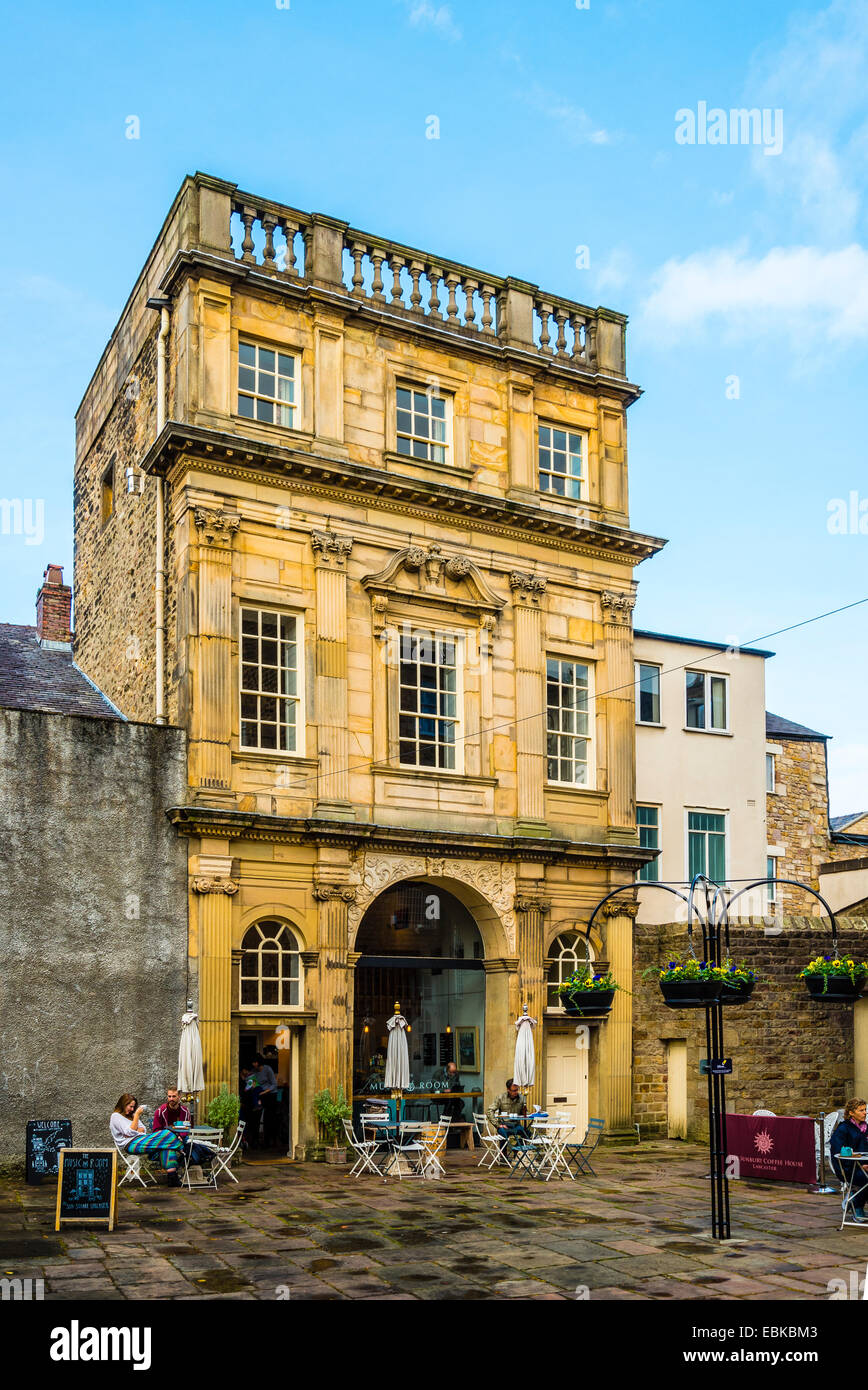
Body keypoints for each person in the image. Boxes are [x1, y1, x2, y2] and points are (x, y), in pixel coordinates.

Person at [110, 1094, 186, 1187]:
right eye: (130, 1106)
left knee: (167, 1147)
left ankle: (172, 1178)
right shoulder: (116, 1116)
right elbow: (130, 1132)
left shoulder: (132, 1115)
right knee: (166, 1133)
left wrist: (134, 1129)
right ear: (123, 1104)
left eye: (134, 1107)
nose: (132, 1109)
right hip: (130, 1144)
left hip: (141, 1140)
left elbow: (142, 1129)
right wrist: (137, 1116)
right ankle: (183, 1149)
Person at [830, 1097, 868, 1222]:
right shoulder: (843, 1129)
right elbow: (837, 1152)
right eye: (861, 1110)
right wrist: (859, 1165)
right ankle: (856, 1205)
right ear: (851, 1112)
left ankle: (854, 1198)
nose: (865, 1113)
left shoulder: (865, 1128)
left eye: (865, 1110)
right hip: (848, 1169)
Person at [489, 1079, 528, 1148]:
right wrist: (498, 1125)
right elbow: (489, 1111)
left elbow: (524, 1113)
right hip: (504, 1125)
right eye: (514, 1090)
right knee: (504, 1134)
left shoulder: (521, 1098)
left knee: (527, 1133)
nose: (516, 1092)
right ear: (508, 1090)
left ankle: (517, 1151)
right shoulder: (501, 1098)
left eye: (517, 1089)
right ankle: (503, 1156)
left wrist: (528, 1113)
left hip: (516, 1125)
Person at [251, 1054, 279, 1149]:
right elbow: (254, 1083)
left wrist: (264, 1092)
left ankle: (270, 1141)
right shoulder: (255, 1072)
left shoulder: (267, 1069)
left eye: (254, 1062)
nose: (253, 1064)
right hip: (261, 1095)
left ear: (258, 1062)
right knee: (256, 1117)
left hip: (270, 1095)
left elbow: (274, 1084)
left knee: (269, 1118)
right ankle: (257, 1141)